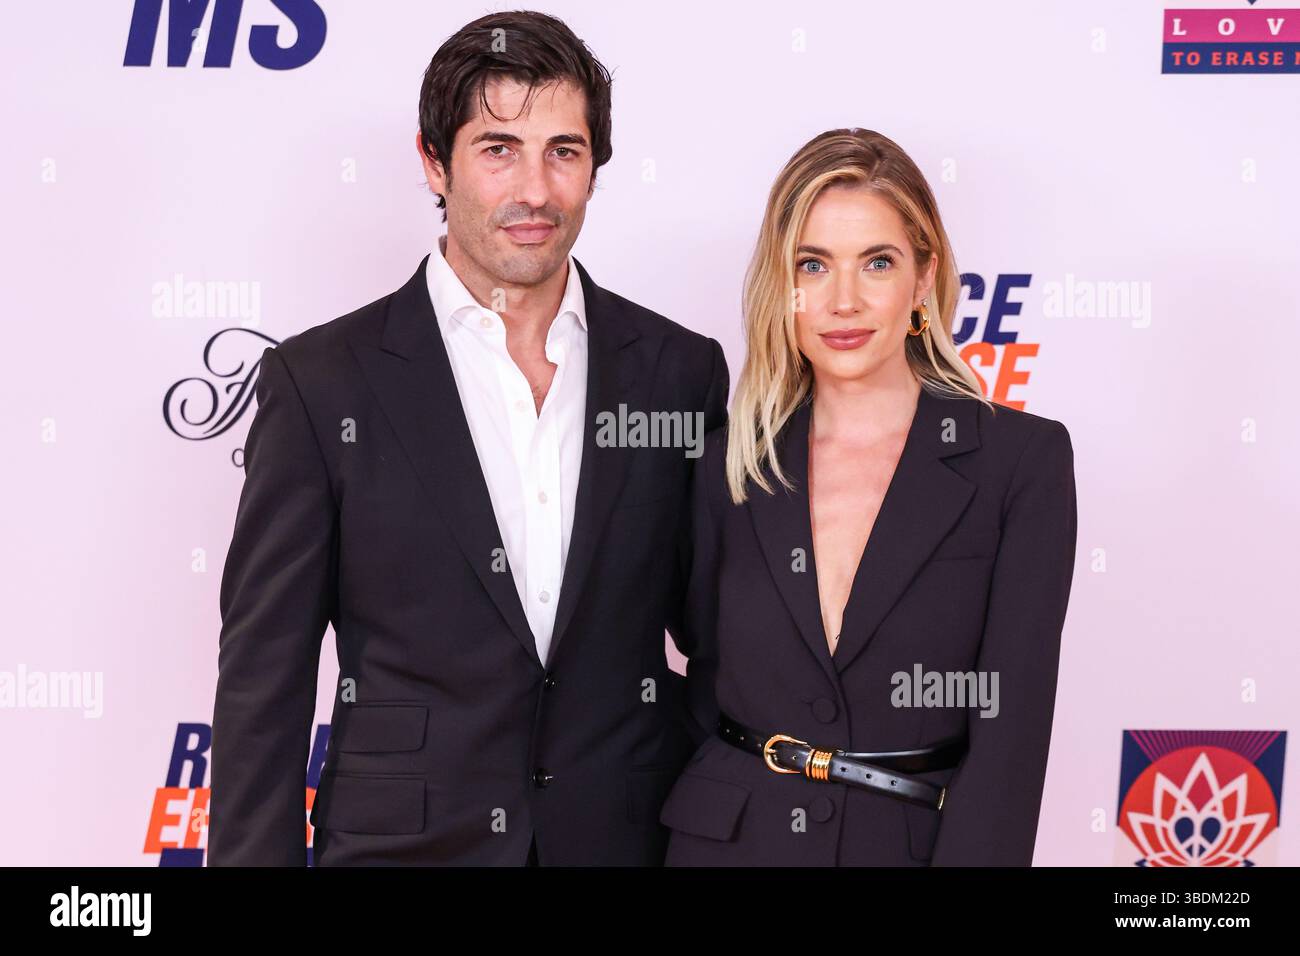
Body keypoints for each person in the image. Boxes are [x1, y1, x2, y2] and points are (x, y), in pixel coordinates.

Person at [209, 11, 728, 866]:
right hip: (399, 849)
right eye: (497, 149)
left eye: (564, 150)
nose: (535, 189)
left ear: (594, 168)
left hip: (626, 839)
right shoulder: (323, 381)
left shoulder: (679, 373)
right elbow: (264, 677)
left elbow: (719, 642)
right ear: (432, 162)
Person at [661, 128, 1077, 866]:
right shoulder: (729, 460)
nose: (843, 301)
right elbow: (703, 676)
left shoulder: (1021, 462)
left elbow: (1009, 737)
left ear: (923, 279)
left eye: (876, 263)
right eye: (812, 265)